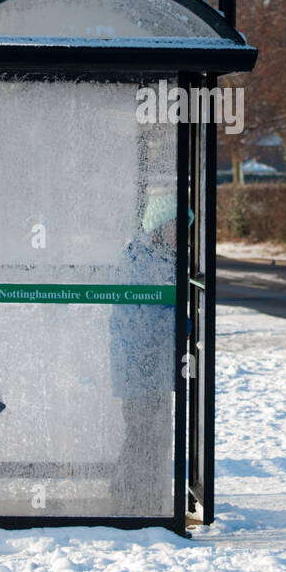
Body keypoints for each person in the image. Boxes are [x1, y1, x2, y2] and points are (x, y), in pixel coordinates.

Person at [108, 191, 178, 514]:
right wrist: (184, 321)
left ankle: (144, 496)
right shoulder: (145, 260)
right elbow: (149, 317)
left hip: (153, 365)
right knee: (143, 433)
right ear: (159, 226)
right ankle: (130, 498)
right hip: (140, 365)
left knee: (156, 433)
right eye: (175, 224)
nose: (180, 232)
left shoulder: (158, 256)